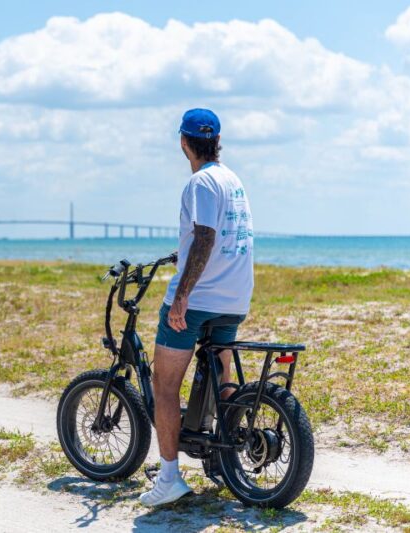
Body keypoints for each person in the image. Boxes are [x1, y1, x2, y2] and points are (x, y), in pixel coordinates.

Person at [139, 109, 254, 506]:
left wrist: (183, 294)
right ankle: (226, 458)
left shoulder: (201, 182)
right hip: (234, 297)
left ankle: (169, 478)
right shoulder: (232, 180)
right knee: (222, 375)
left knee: (165, 386)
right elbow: (219, 238)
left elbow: (205, 238)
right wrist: (183, 254)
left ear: (183, 142)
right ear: (217, 140)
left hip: (201, 299)